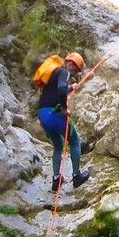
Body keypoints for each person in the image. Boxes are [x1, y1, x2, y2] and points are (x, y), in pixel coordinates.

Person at [37, 52, 91, 191]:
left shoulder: (53, 74)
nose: (73, 74)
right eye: (75, 70)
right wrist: (64, 108)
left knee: (58, 145)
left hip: (43, 115)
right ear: (71, 64)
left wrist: (71, 87)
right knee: (74, 141)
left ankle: (56, 180)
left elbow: (55, 91)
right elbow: (61, 89)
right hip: (55, 114)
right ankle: (76, 176)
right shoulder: (64, 71)